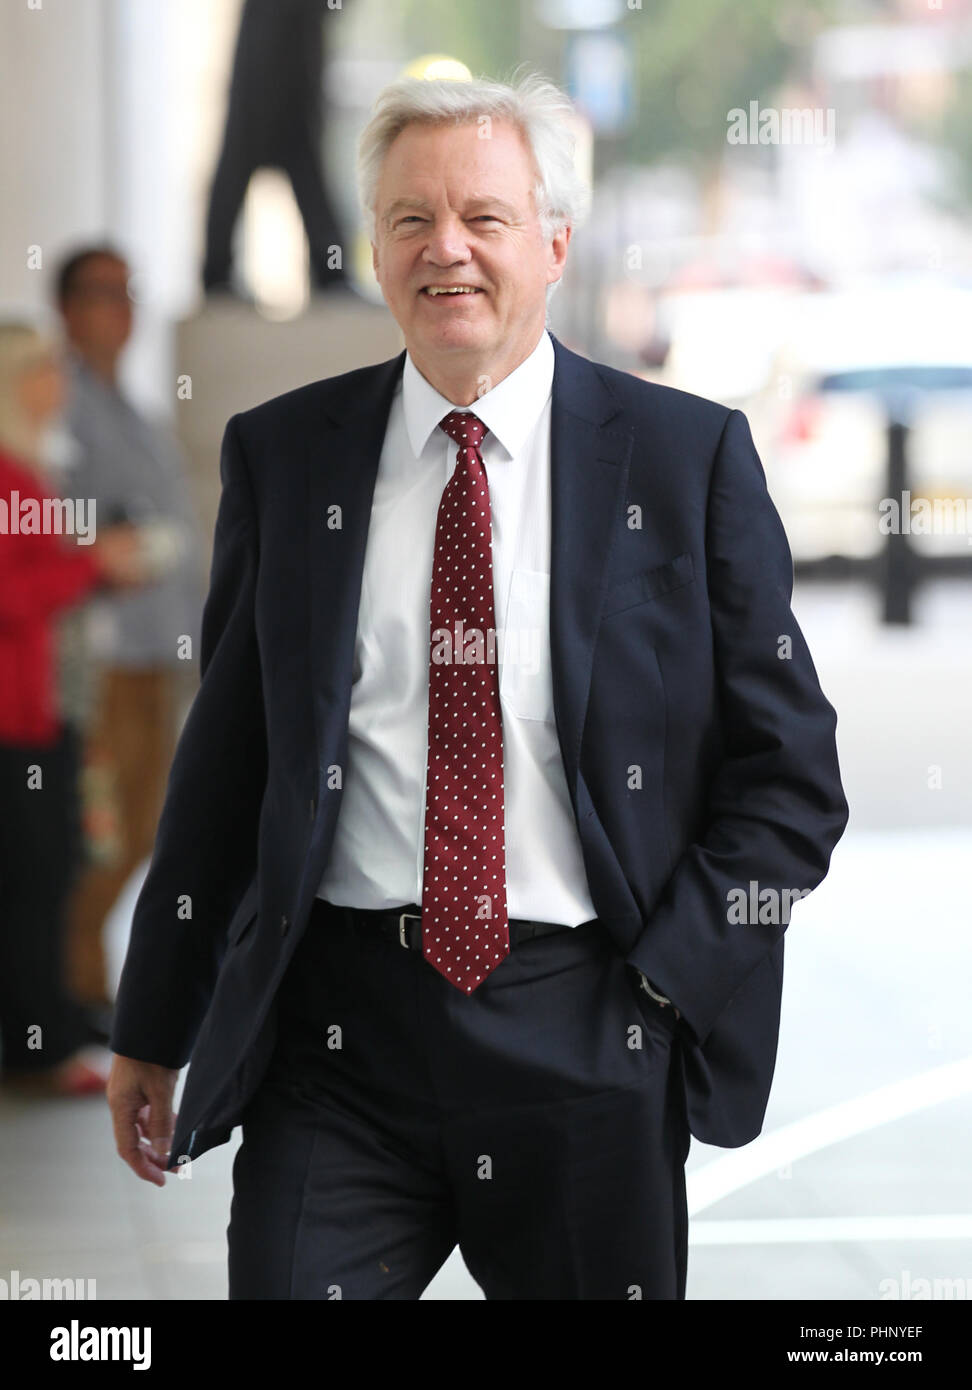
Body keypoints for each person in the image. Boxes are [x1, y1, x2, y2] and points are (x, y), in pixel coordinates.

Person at [107, 71, 849, 1300]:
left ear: (554, 243)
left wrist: (666, 984)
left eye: (483, 218)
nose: (445, 249)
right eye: (410, 220)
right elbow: (230, 764)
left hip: (585, 1029)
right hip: (336, 1046)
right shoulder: (288, 459)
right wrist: (153, 1017)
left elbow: (791, 782)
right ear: (379, 249)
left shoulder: (681, 460)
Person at [54, 246, 206, 1026]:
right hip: (104, 653)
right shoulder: (59, 404)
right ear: (69, 309)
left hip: (158, 650)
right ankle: (68, 987)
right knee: (106, 829)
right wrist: (110, 544)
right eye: (104, 294)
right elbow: (49, 524)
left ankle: (78, 979)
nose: (123, 309)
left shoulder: (135, 407)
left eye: (129, 293)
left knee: (148, 823)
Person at [0, 321, 147, 1096]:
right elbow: (10, 595)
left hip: (40, 708)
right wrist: (93, 566)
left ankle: (46, 1019)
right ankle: (39, 1042)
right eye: (43, 373)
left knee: (48, 869)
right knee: (36, 876)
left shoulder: (31, 471)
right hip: (15, 716)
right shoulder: (9, 477)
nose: (59, 387)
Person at [201, 0, 350, 298]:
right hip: (262, 74)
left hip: (296, 71)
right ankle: (217, 274)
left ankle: (332, 272)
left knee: (311, 184)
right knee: (237, 170)